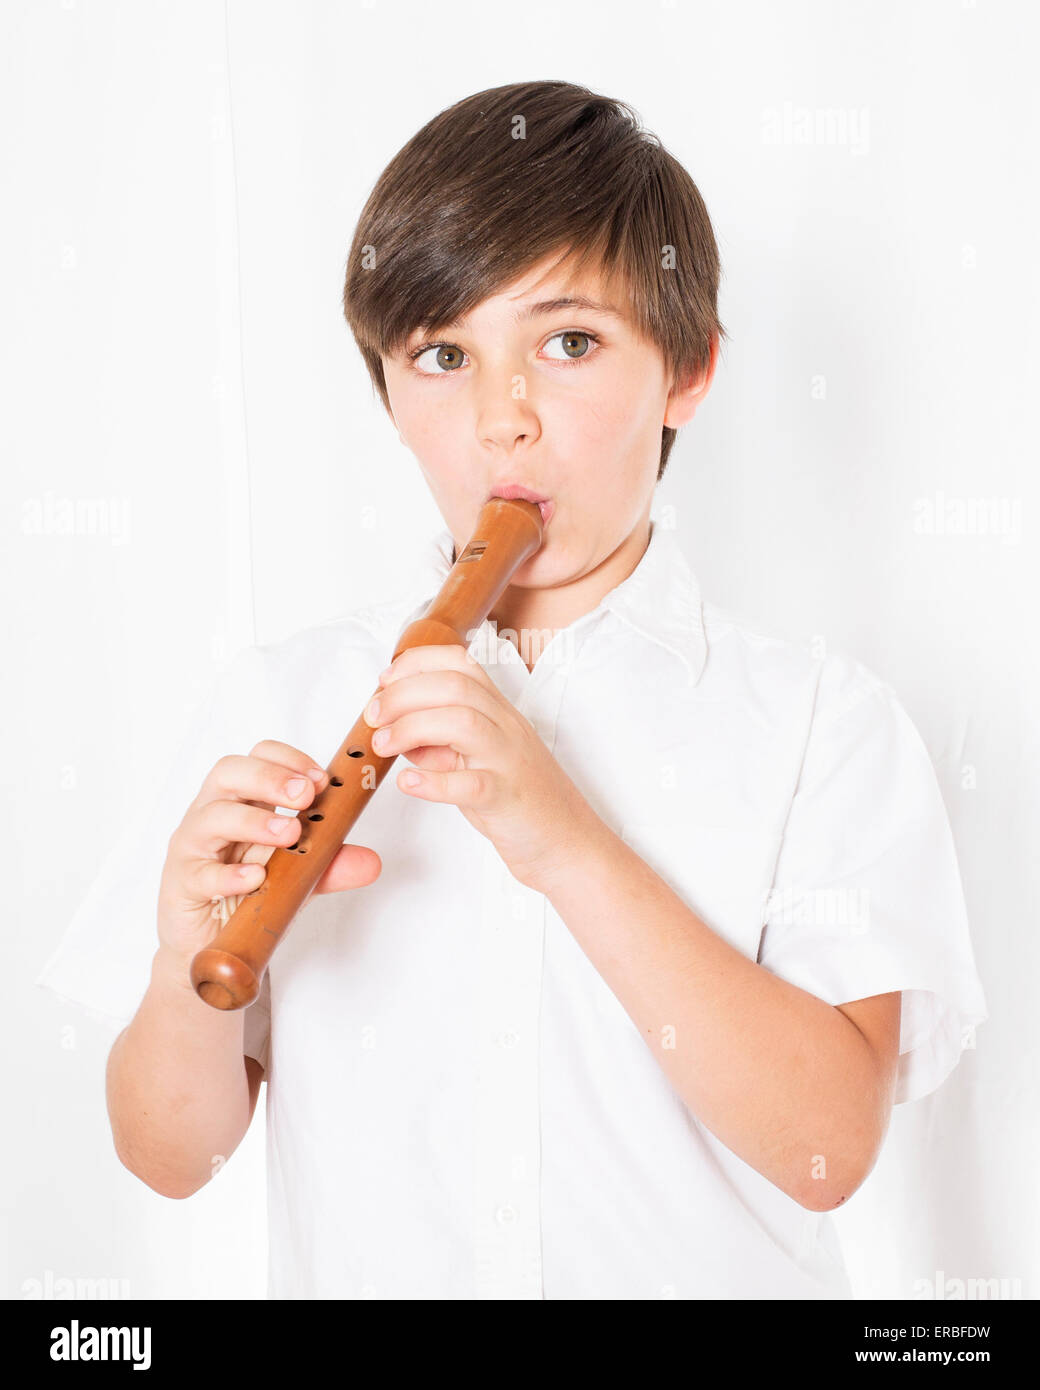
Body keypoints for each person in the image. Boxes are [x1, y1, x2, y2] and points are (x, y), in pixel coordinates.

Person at [37, 80, 988, 1300]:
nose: (504, 420)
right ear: (389, 394)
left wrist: (564, 839)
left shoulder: (822, 724)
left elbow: (826, 1149)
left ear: (687, 371)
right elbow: (167, 1156)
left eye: (568, 343)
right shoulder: (283, 695)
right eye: (441, 355)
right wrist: (186, 962)